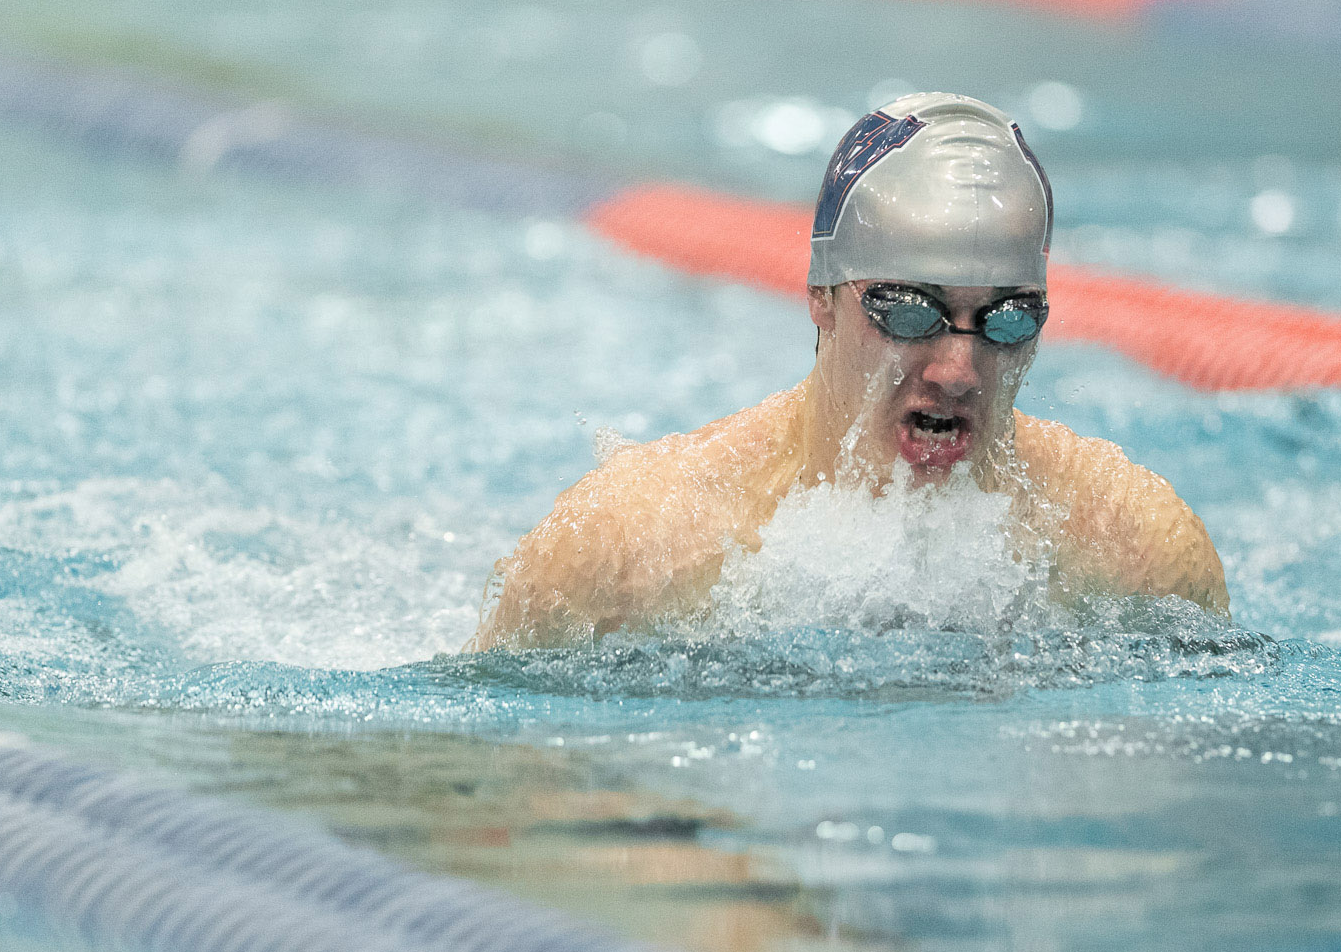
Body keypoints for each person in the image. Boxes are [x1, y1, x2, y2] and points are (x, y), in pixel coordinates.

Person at [469, 93, 1227, 650]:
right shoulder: (634, 545)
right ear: (821, 298)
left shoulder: (1139, 552)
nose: (960, 368)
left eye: (1008, 318)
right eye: (908, 310)